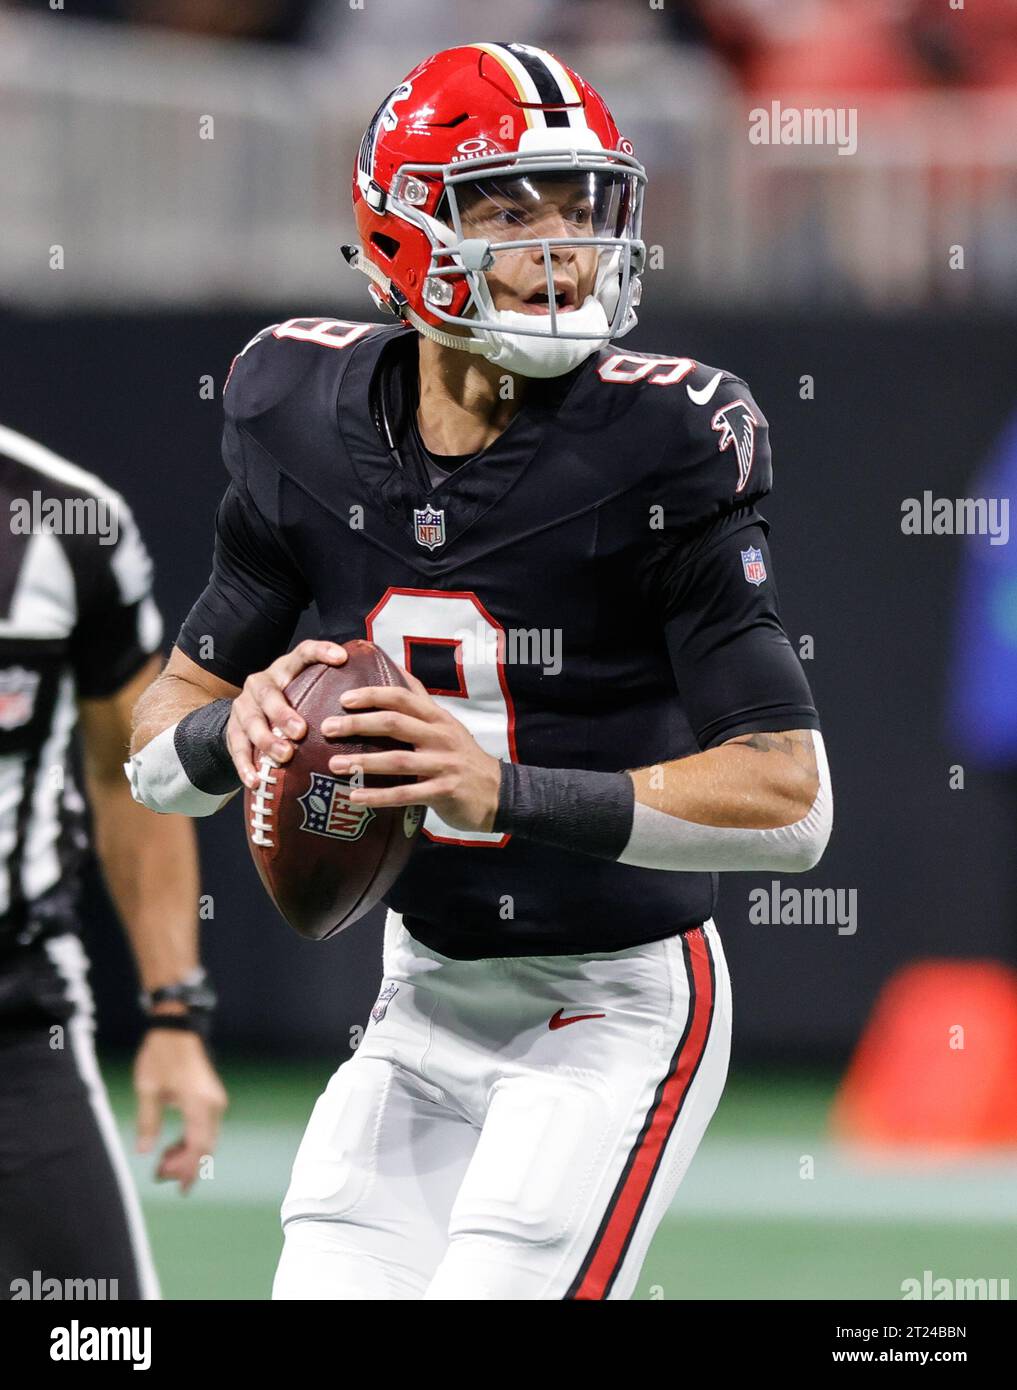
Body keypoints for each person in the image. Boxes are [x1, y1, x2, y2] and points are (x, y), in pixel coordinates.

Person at [126, 41, 832, 1300]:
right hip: (421, 998)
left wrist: (504, 791)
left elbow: (791, 802)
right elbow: (152, 741)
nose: (564, 244)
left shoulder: (666, 443)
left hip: (615, 1006)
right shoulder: (294, 408)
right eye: (511, 208)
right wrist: (228, 732)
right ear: (402, 228)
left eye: (584, 206)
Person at [0, 423, 227, 1301]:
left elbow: (130, 774)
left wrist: (174, 1012)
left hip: (15, 1016)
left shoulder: (64, 523)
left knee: (99, 1334)